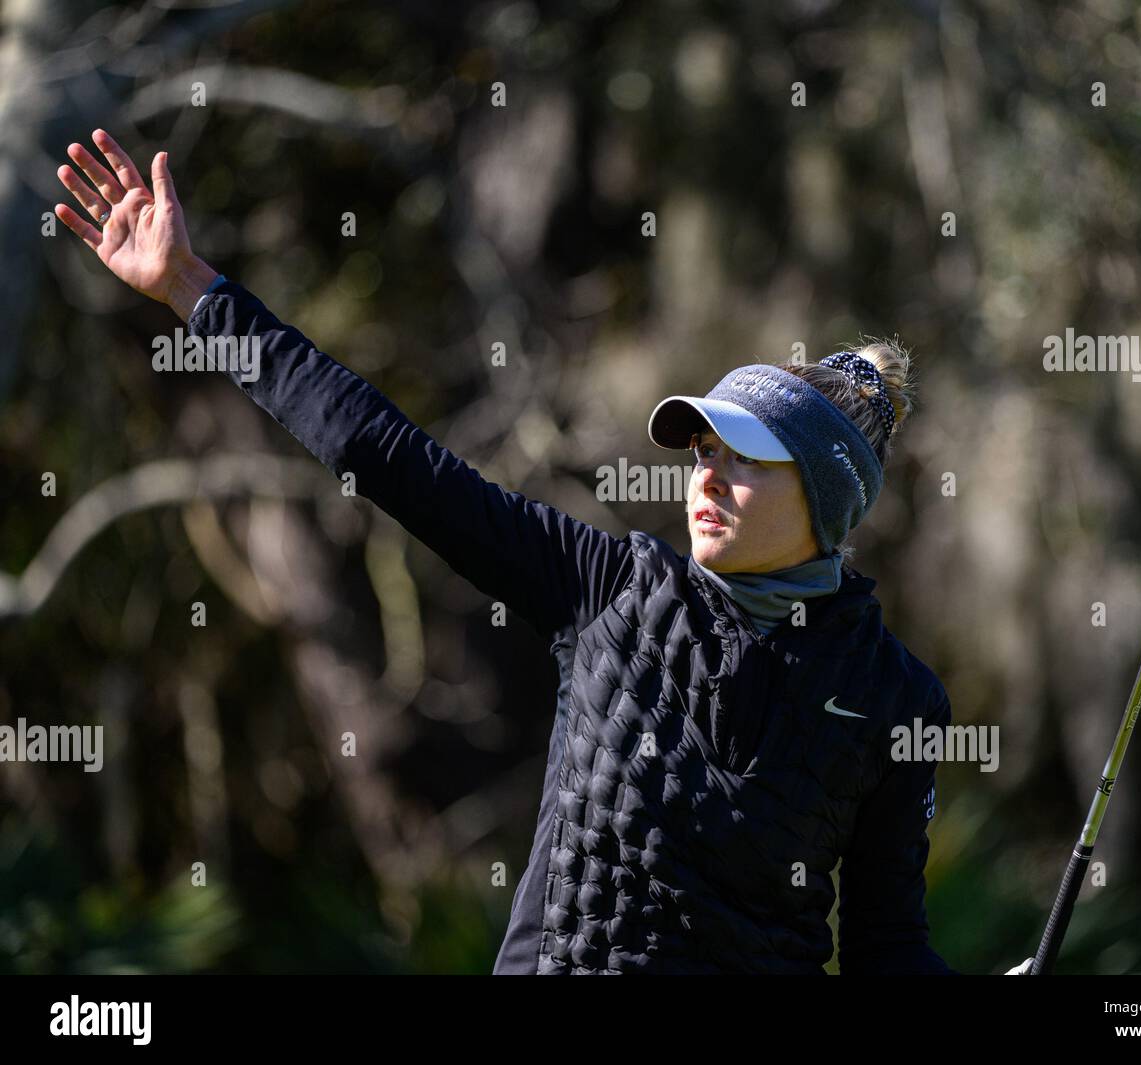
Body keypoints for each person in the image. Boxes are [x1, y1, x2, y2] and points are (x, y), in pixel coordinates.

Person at [55, 130, 1023, 975]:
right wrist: (193, 290)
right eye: (702, 453)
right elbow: (379, 455)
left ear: (822, 496)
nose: (707, 480)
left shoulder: (896, 699)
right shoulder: (606, 587)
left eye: (746, 463)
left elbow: (887, 951)